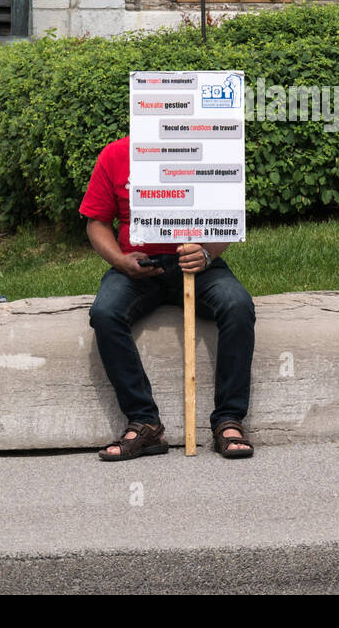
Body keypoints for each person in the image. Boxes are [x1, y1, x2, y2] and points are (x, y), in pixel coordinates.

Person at [80, 137, 256, 460]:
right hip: (137, 267)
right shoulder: (115, 154)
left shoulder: (208, 150)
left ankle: (229, 420)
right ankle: (145, 423)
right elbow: (97, 223)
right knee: (105, 313)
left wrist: (206, 253)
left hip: (199, 266)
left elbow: (228, 217)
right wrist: (120, 261)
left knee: (237, 305)